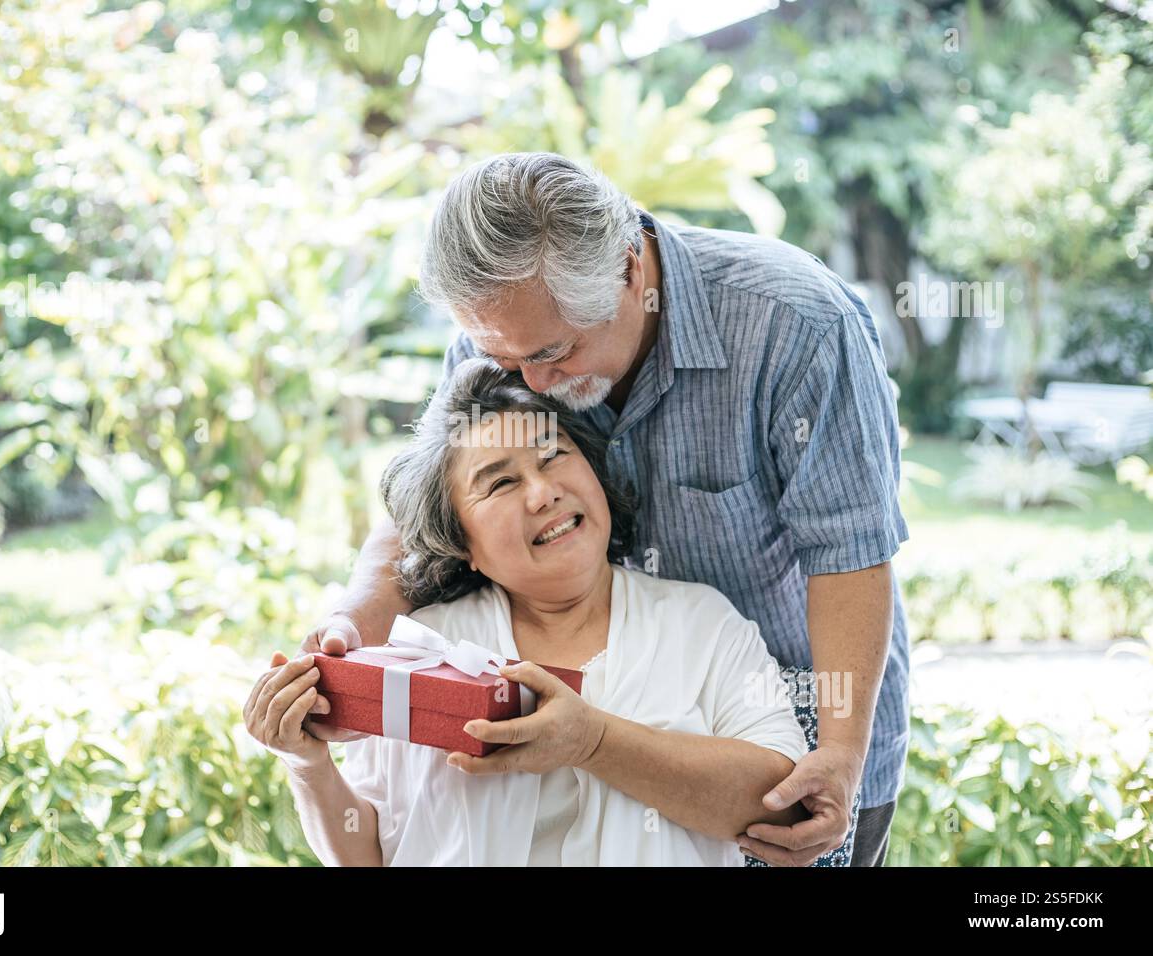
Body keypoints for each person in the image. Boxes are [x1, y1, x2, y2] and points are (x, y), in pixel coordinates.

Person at [301, 152, 909, 866]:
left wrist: (838, 755)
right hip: (608, 728)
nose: (529, 382)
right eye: (505, 359)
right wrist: (349, 629)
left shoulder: (796, 324)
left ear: (628, 269)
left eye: (553, 353)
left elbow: (850, 551)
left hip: (813, 720)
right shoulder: (508, 331)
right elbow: (430, 496)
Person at [244, 359, 812, 865]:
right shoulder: (420, 652)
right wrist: (307, 764)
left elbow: (785, 807)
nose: (542, 494)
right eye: (501, 483)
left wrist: (593, 742)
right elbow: (365, 851)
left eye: (554, 457)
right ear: (460, 539)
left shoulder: (701, 623)